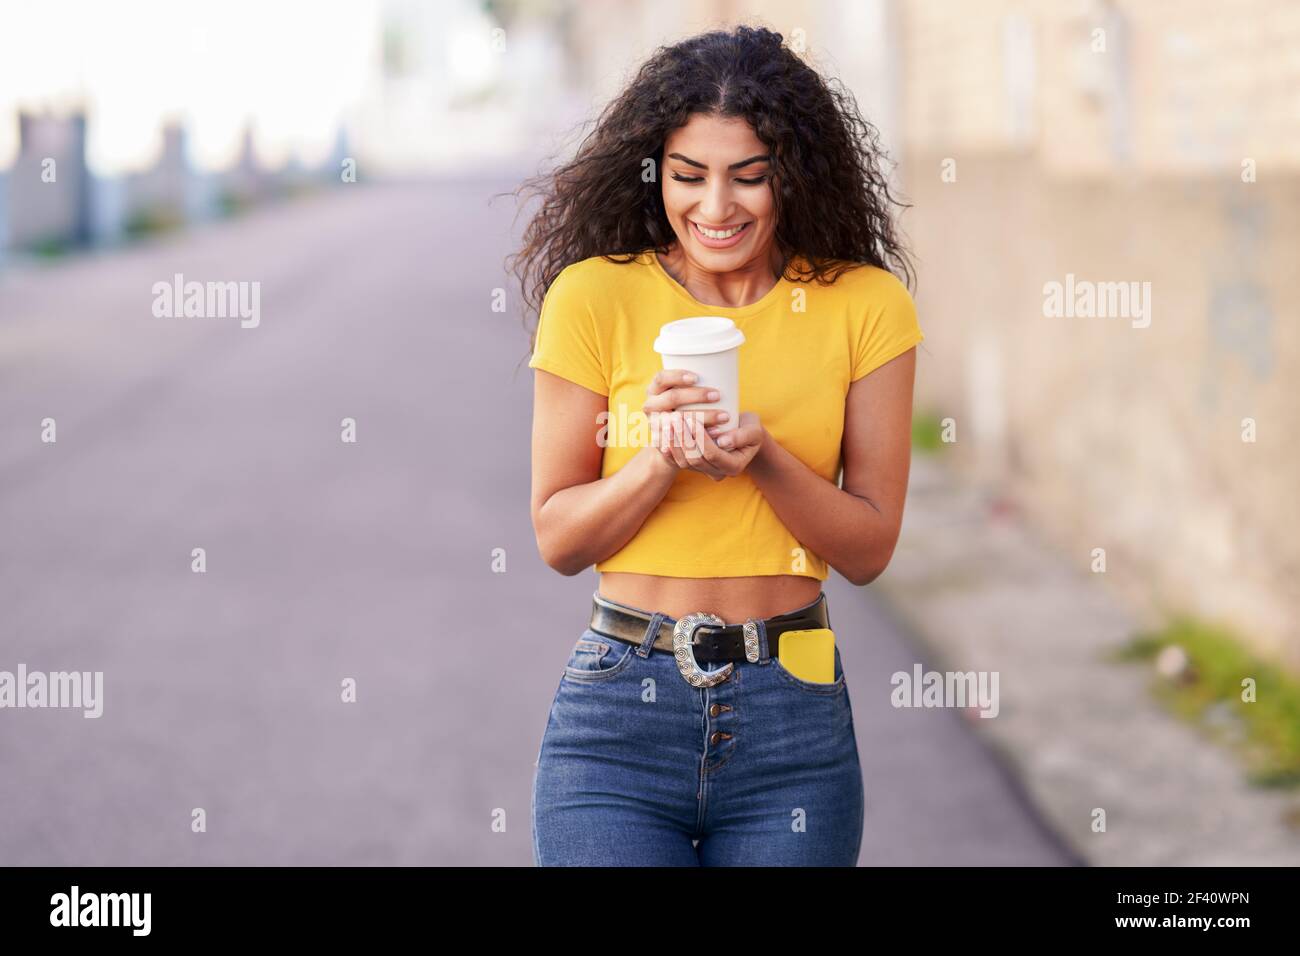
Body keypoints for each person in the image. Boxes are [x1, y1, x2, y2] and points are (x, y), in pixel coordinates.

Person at [510, 24, 924, 866]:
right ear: (654, 170)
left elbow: (870, 546)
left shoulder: (864, 307)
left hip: (794, 720)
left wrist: (765, 458)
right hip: (619, 714)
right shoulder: (595, 298)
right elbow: (559, 537)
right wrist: (660, 459)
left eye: (749, 177)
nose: (715, 207)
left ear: (792, 175)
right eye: (688, 176)